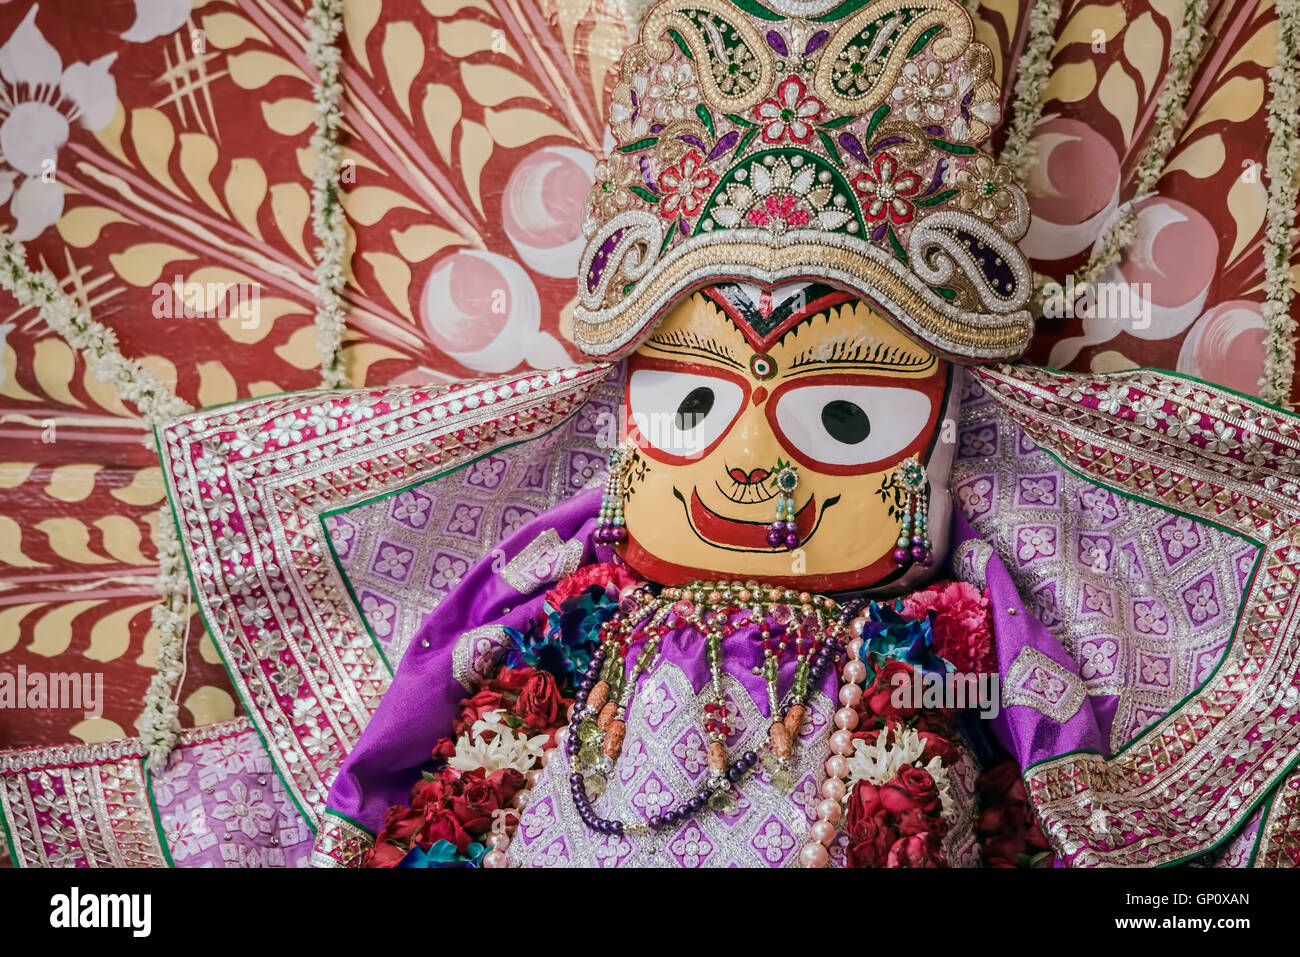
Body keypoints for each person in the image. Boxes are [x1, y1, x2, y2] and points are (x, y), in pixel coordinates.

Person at [311, 0, 1300, 868]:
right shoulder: (564, 599)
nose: (749, 468)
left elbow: (1052, 741)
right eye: (690, 406)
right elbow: (434, 684)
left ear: (945, 442)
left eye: (842, 417)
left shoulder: (932, 650)